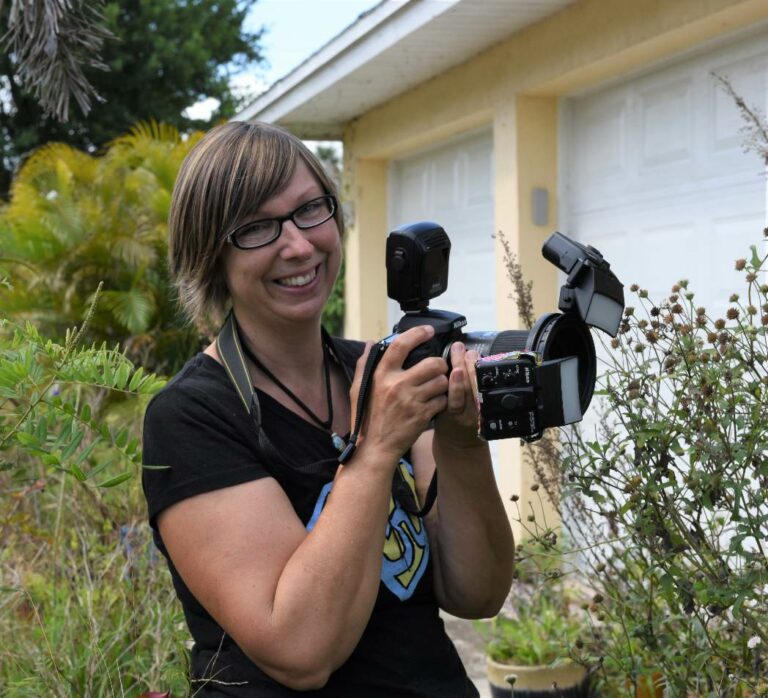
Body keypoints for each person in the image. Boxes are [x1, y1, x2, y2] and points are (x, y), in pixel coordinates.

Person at [142, 121, 515, 697]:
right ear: (210, 254)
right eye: (256, 228)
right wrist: (374, 452)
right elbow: (300, 653)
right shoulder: (192, 416)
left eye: (310, 209)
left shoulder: (378, 372)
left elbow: (478, 592)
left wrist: (461, 444)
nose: (298, 245)